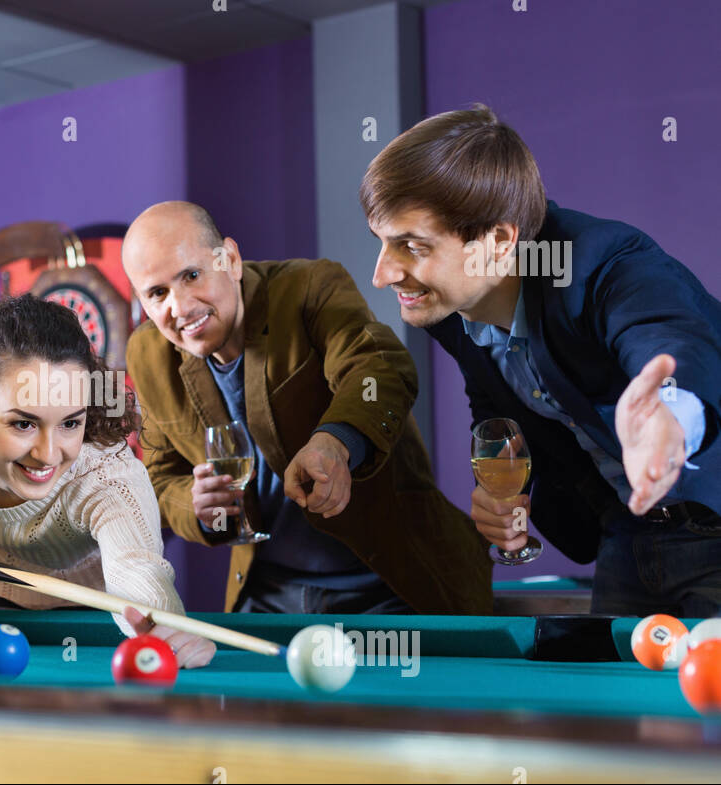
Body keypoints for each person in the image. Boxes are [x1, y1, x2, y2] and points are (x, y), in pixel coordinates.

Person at [362, 104, 721, 616]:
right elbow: (495, 402)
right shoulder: (452, 306)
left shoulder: (604, 262)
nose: (382, 275)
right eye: (381, 242)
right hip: (626, 534)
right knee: (607, 674)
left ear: (499, 241)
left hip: (713, 519)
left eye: (411, 246)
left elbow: (676, 347)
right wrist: (504, 488)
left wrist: (668, 419)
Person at [123, 201, 491, 615]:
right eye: (157, 293)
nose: (181, 307)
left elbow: (378, 369)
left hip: (392, 583)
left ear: (231, 259)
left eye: (192, 275)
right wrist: (194, 505)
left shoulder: (309, 287)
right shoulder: (147, 353)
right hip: (267, 593)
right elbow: (160, 479)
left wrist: (335, 443)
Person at [0, 295, 215, 666]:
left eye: (70, 422)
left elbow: (135, 568)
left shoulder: (108, 478)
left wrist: (160, 618)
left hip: (80, 615)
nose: (48, 454)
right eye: (23, 423)